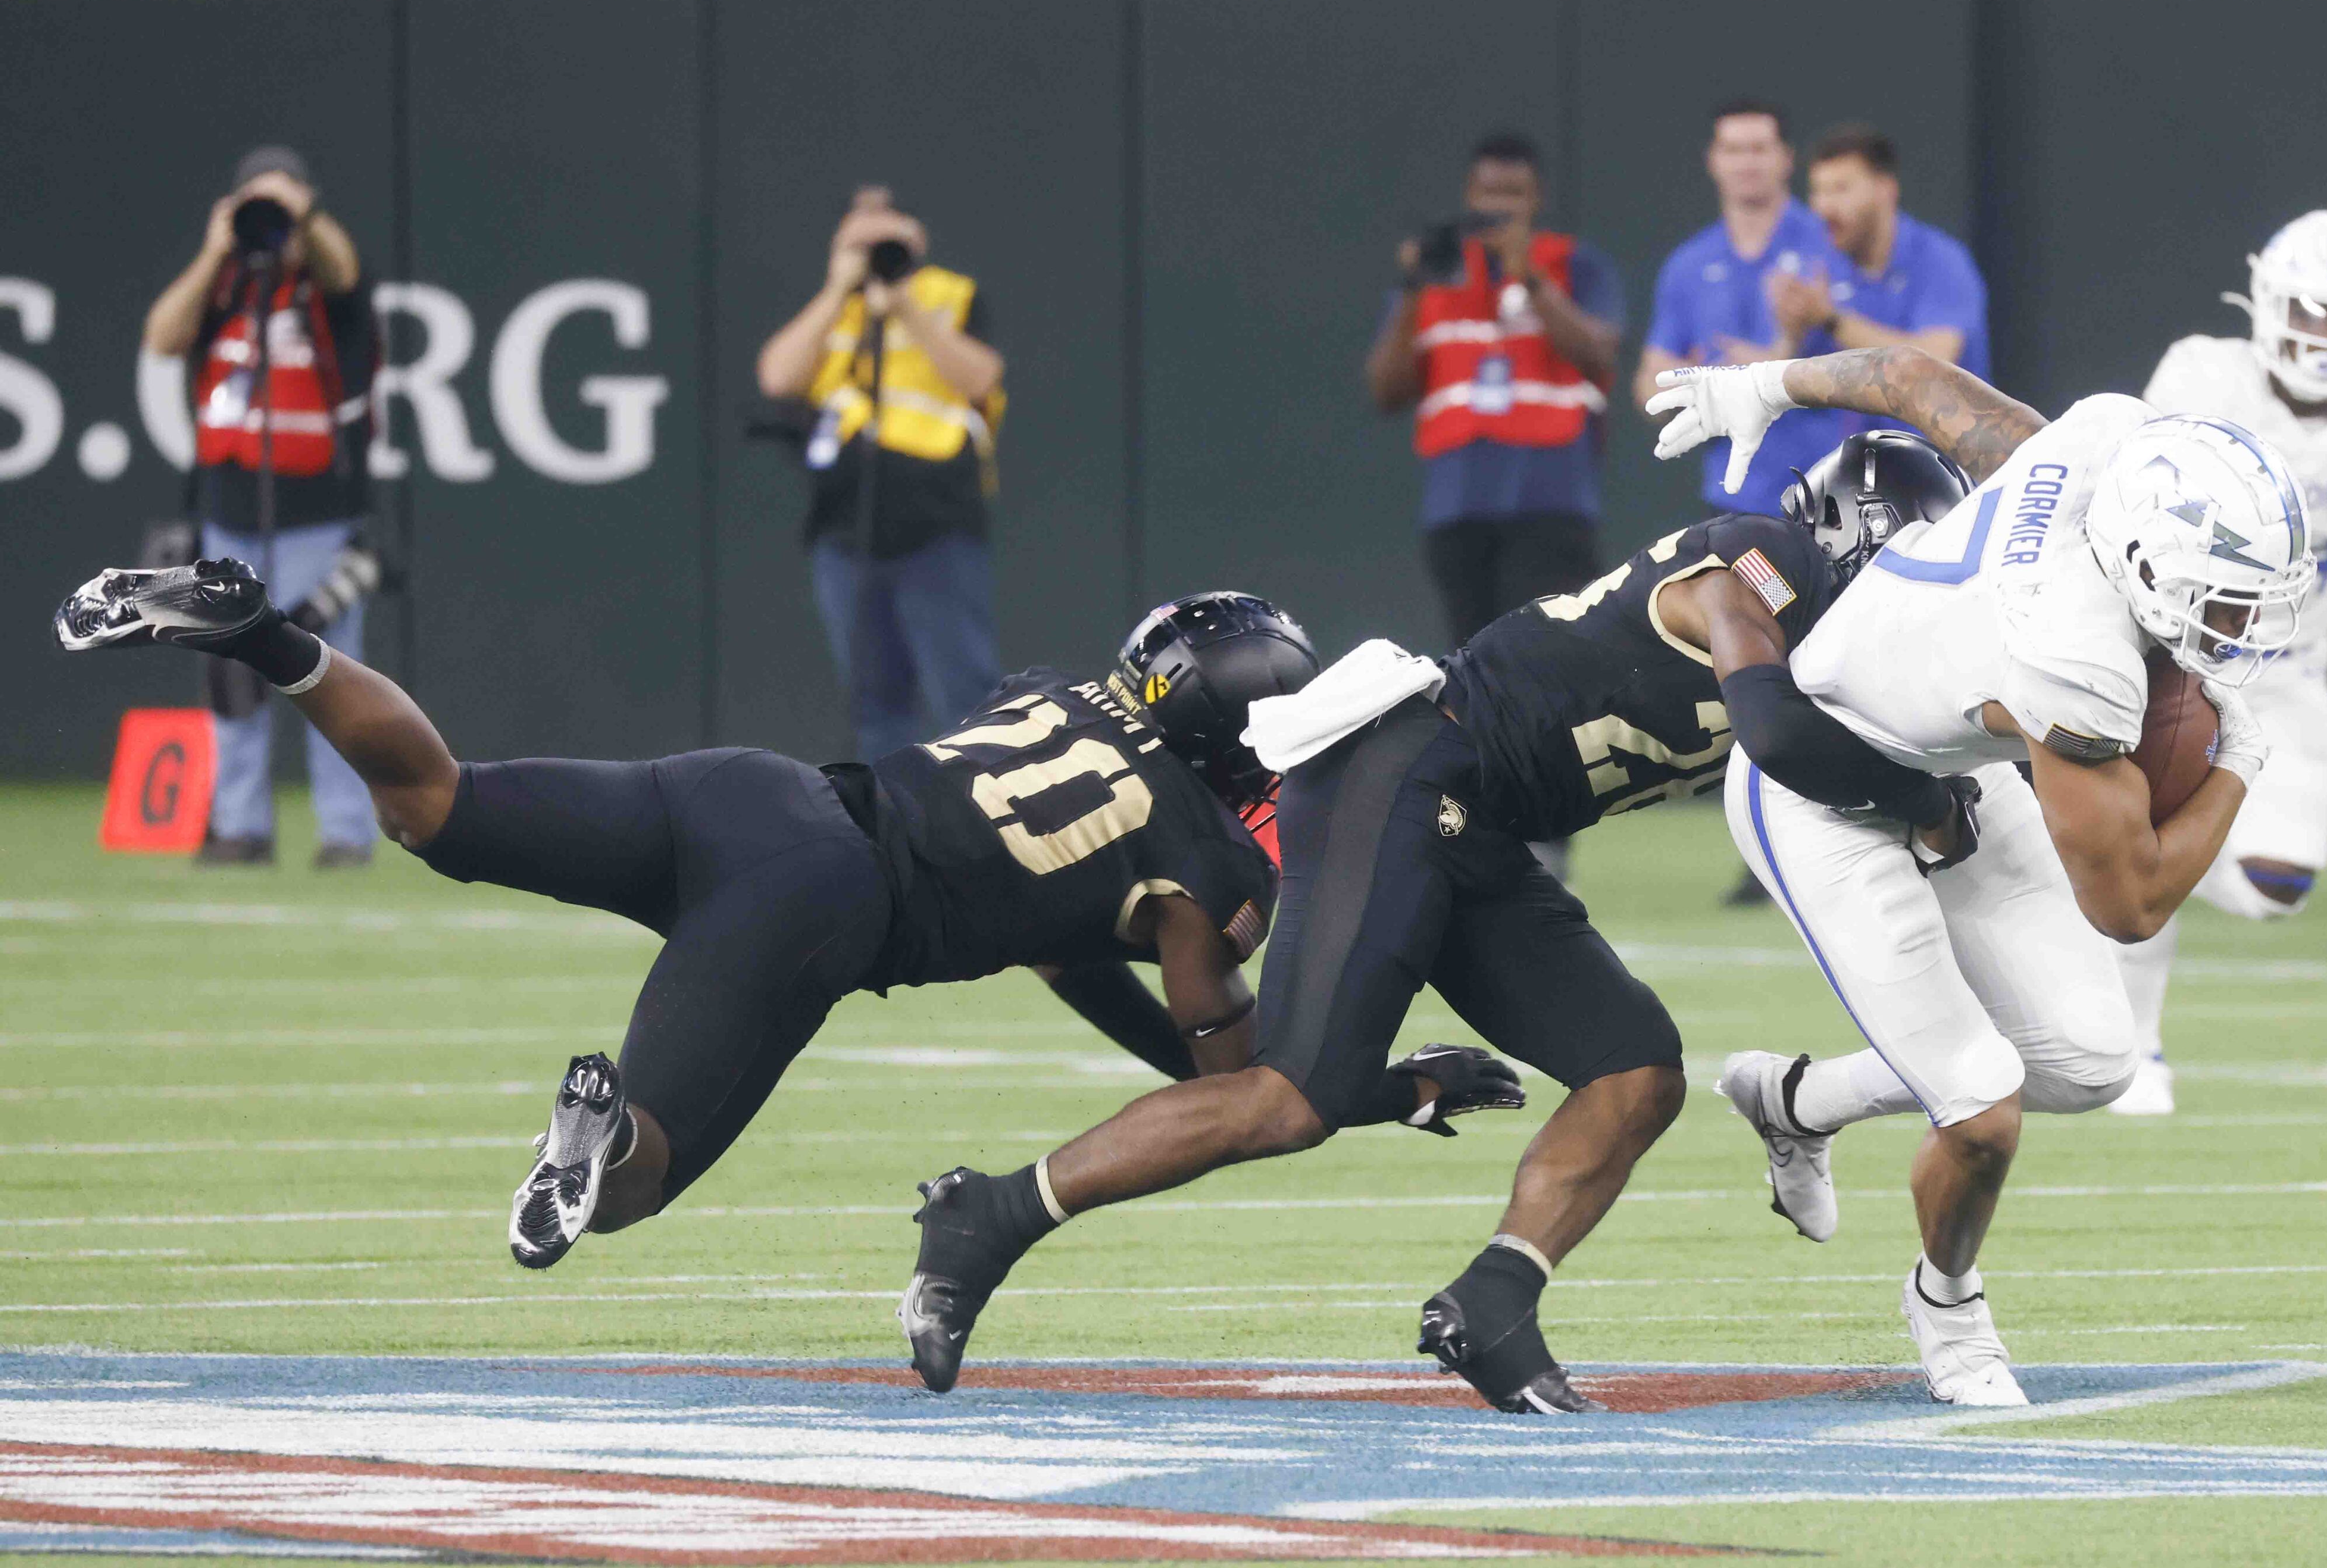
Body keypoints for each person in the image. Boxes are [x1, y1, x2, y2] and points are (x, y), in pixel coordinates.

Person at [893, 438, 1975, 1416]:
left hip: (1477, 817)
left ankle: (1493, 1304)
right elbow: (1775, 732)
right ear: (1859, 535)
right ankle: (990, 1215)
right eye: (1919, 562)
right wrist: (1927, 803)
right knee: (1289, 1099)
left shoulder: (1826, 649)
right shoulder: (1759, 563)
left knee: (1636, 1069)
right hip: (1406, 766)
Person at [56, 575, 1525, 1269]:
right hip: (825, 904)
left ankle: (271, 640)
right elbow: (1234, 1084)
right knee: (631, 1188)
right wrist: (1387, 1087)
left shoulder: (1048, 695)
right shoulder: (1205, 868)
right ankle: (598, 1135)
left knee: (432, 807)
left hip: (749, 792)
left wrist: (1104, 951)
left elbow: (1059, 938)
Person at [1647, 345, 2311, 1405]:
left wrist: (1765, 384)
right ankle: (1948, 1305)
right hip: (1819, 790)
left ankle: (1798, 1100)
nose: (2241, 630)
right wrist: (2238, 763)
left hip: (1945, 769)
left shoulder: (2103, 447)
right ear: (2146, 565)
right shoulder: (2073, 659)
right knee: (1982, 1108)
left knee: (2093, 1060)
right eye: (2226, 604)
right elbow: (2132, 903)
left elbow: (1917, 384)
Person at [2107, 211, 2327, 1114]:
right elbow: (2134, 497)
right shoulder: (2207, 376)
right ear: (2266, 300)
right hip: (2178, 655)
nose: (2324, 333)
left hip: (2292, 670)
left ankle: (2124, 861)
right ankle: (2134, 1051)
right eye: (2308, 308)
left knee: (2278, 888)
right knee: (2144, 844)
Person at [140, 145, 382, 868]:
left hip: (318, 512)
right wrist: (217, 247)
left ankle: (346, 831)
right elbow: (162, 337)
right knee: (230, 672)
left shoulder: (326, 290)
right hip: (230, 507)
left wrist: (305, 218)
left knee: (328, 673)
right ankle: (240, 825)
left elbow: (345, 271)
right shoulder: (224, 288)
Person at [756, 186, 1006, 761]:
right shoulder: (836, 309)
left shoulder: (949, 295)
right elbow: (778, 377)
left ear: (916, 238)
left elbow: (980, 377)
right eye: (860, 239)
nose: (874, 251)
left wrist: (905, 303)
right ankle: (889, 808)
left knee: (966, 694)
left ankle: (984, 797)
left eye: (886, 237)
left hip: (937, 522)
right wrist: (837, 287)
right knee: (875, 701)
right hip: (846, 528)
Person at [1363, 131, 1624, 649]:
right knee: (1473, 657)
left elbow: (1599, 355)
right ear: (1469, 195)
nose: (1500, 209)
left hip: (1550, 497)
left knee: (1554, 652)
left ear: (1536, 200)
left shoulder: (1575, 264)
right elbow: (1385, 391)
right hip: (1459, 503)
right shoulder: (1437, 274)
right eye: (1489, 194)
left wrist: (1529, 277)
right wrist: (1414, 286)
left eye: (1514, 195)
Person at [1632, 102, 1844, 517]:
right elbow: (1649, 387)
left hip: (1831, 490)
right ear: (1713, 160)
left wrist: (1776, 357)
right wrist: (1706, 382)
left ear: (1787, 158)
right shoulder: (1688, 264)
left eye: (1759, 149)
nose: (1747, 163)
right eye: (1733, 150)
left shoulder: (1831, 244)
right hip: (1732, 497)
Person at [1768, 124, 1991, 429]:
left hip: (1944, 453)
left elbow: (1935, 364)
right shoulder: (1822, 266)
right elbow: (1786, 380)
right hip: (1863, 455)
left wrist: (1831, 320)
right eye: (1818, 191)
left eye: (1841, 189)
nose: (1824, 207)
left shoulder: (1941, 261)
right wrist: (1792, 334)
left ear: (1885, 189)